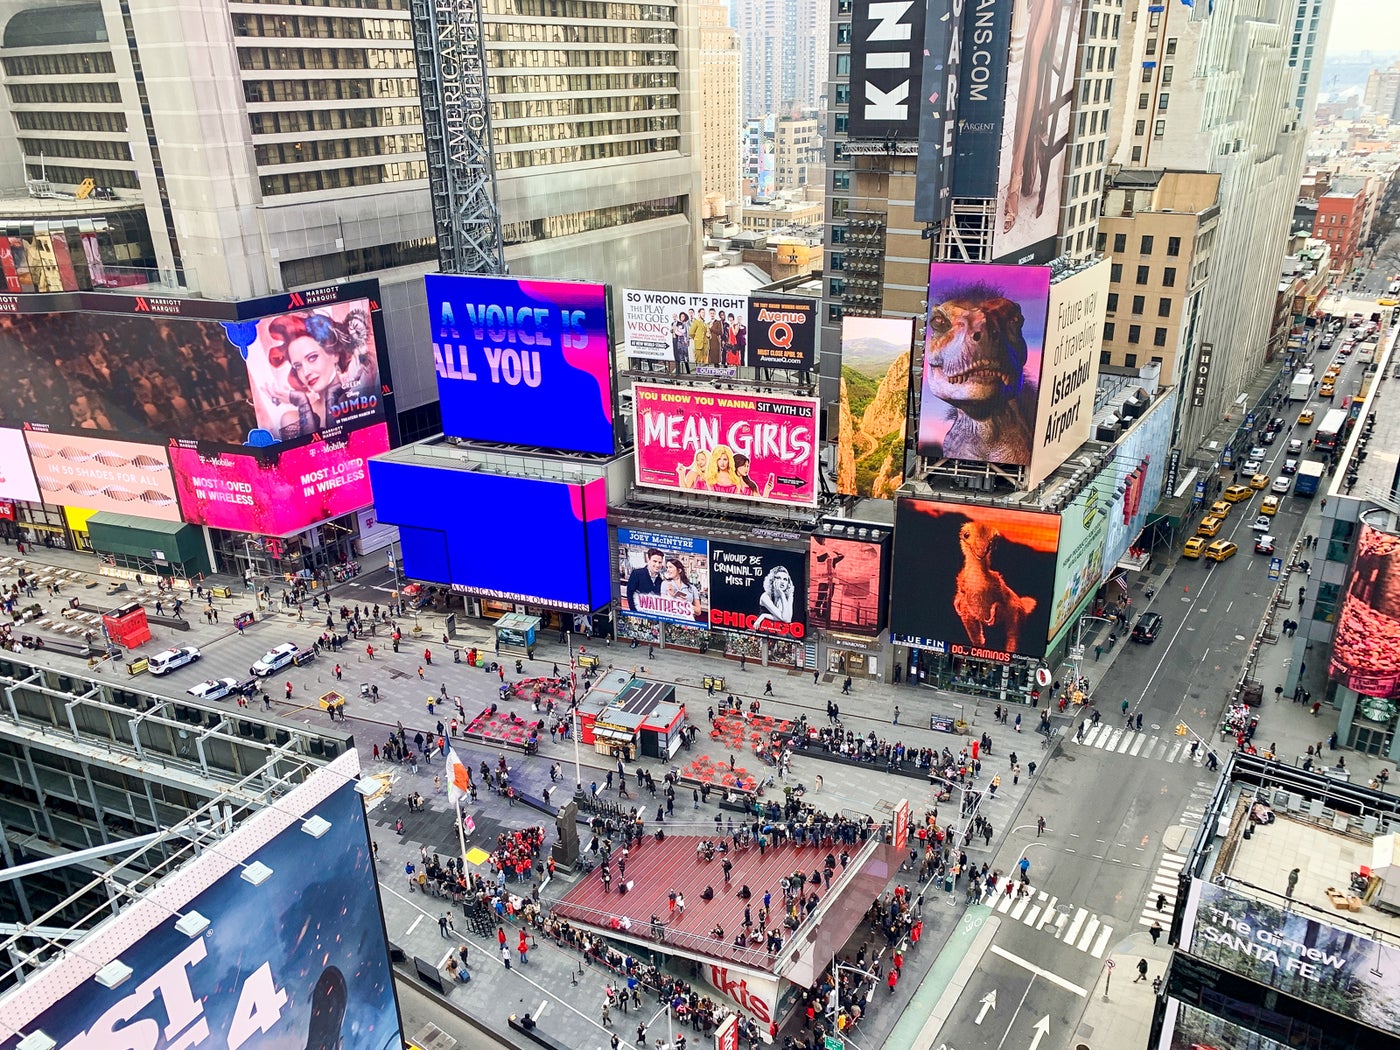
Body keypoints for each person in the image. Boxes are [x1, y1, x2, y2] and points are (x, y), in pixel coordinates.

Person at [627, 548, 666, 612]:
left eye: (660, 562)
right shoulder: (637, 574)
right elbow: (630, 595)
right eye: (655, 561)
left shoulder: (661, 580)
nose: (657, 565)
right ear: (648, 560)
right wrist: (634, 613)